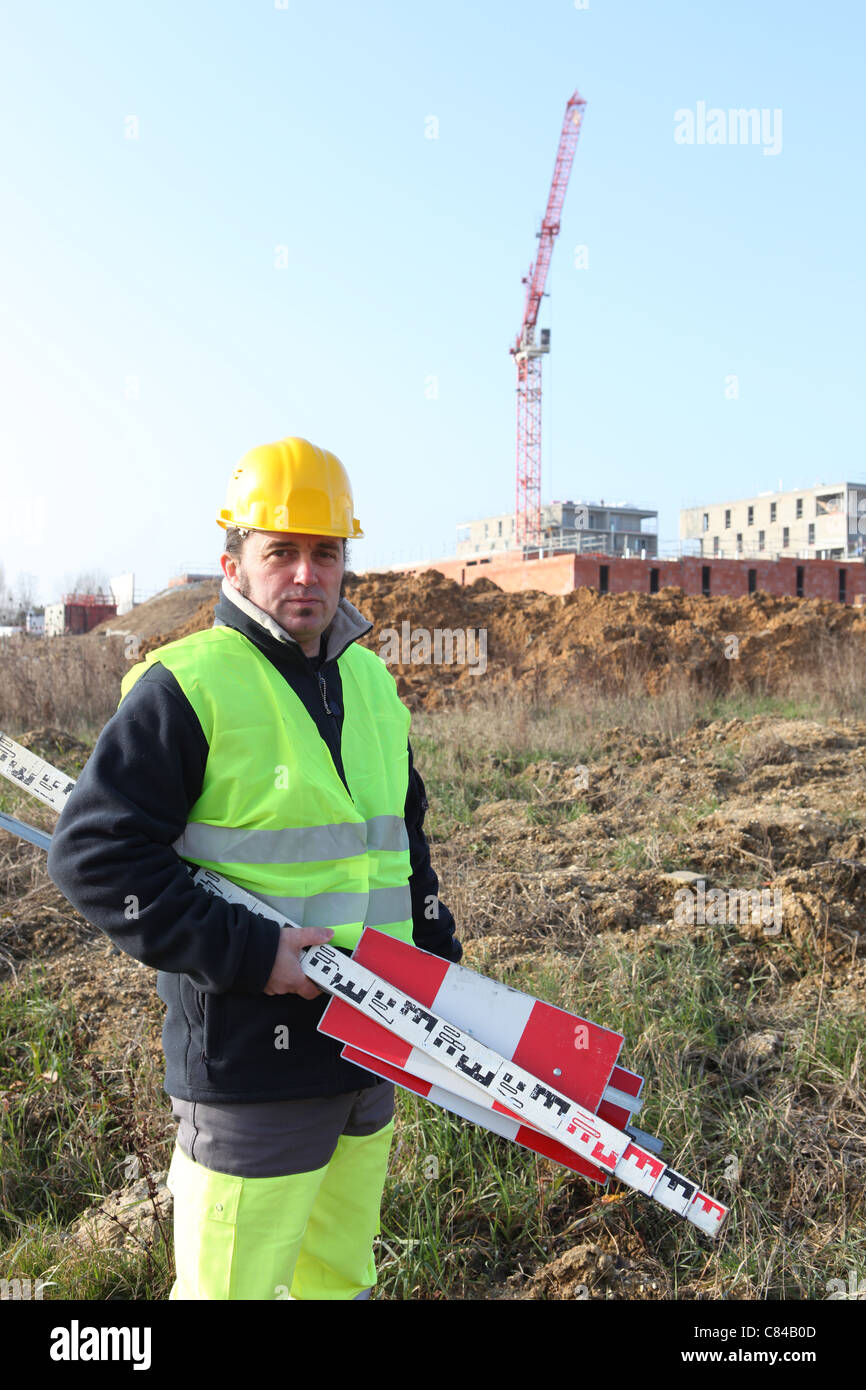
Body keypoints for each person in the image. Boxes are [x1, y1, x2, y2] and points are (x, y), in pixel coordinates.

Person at [47, 436, 461, 1300]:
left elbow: (404, 849)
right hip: (251, 1068)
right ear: (234, 559)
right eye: (283, 552)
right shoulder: (186, 686)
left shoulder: (373, 686)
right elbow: (94, 854)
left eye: (325, 552)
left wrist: (438, 969)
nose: (306, 574)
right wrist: (251, 955)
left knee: (336, 1282)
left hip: (369, 1052)